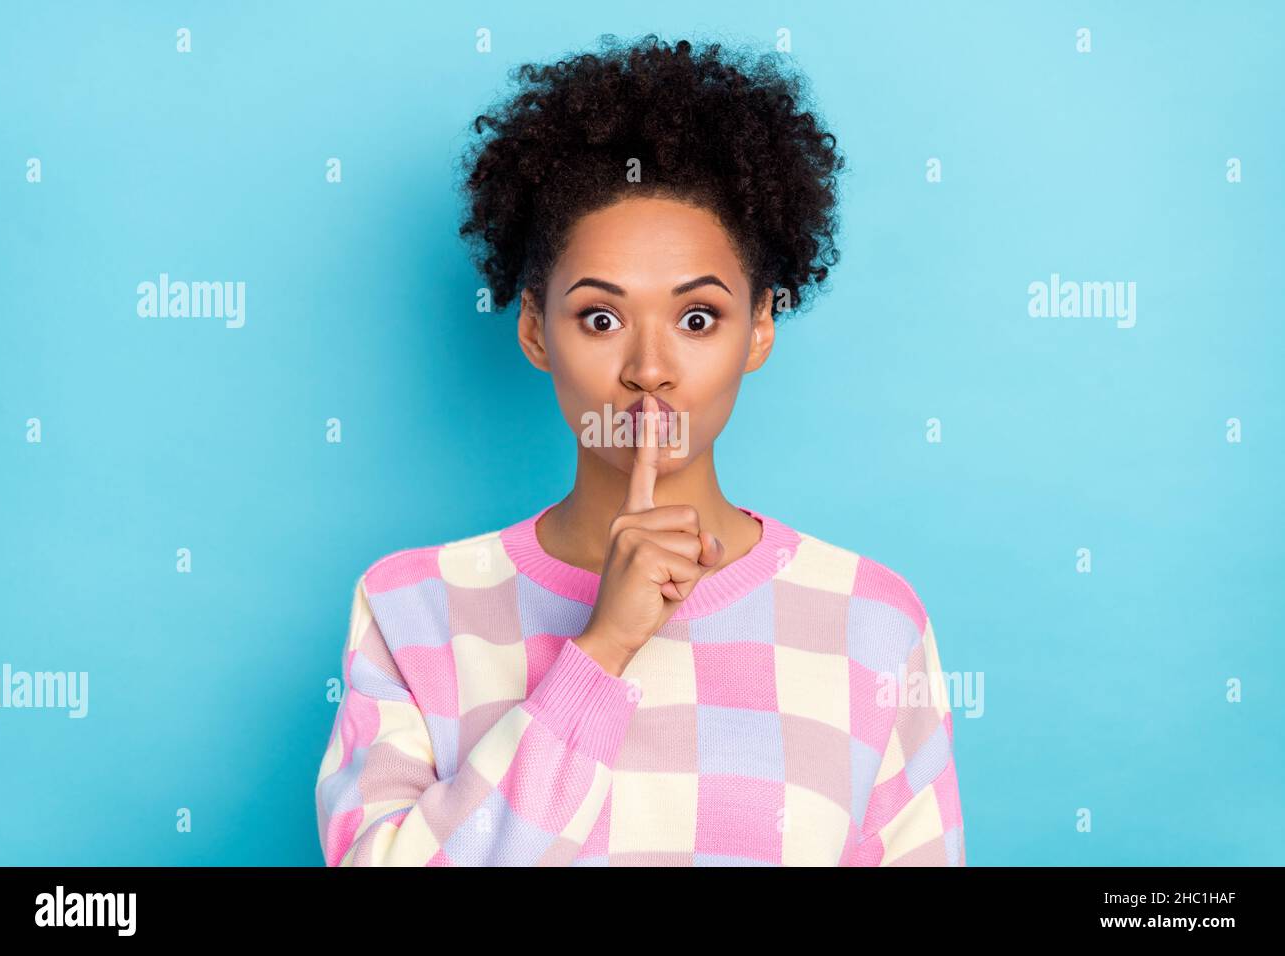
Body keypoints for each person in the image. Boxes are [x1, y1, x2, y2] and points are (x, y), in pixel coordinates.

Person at [315, 34, 964, 866]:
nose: (648, 371)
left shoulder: (872, 622)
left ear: (759, 328)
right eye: (600, 317)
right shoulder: (413, 608)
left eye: (698, 319)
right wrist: (600, 651)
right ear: (533, 330)